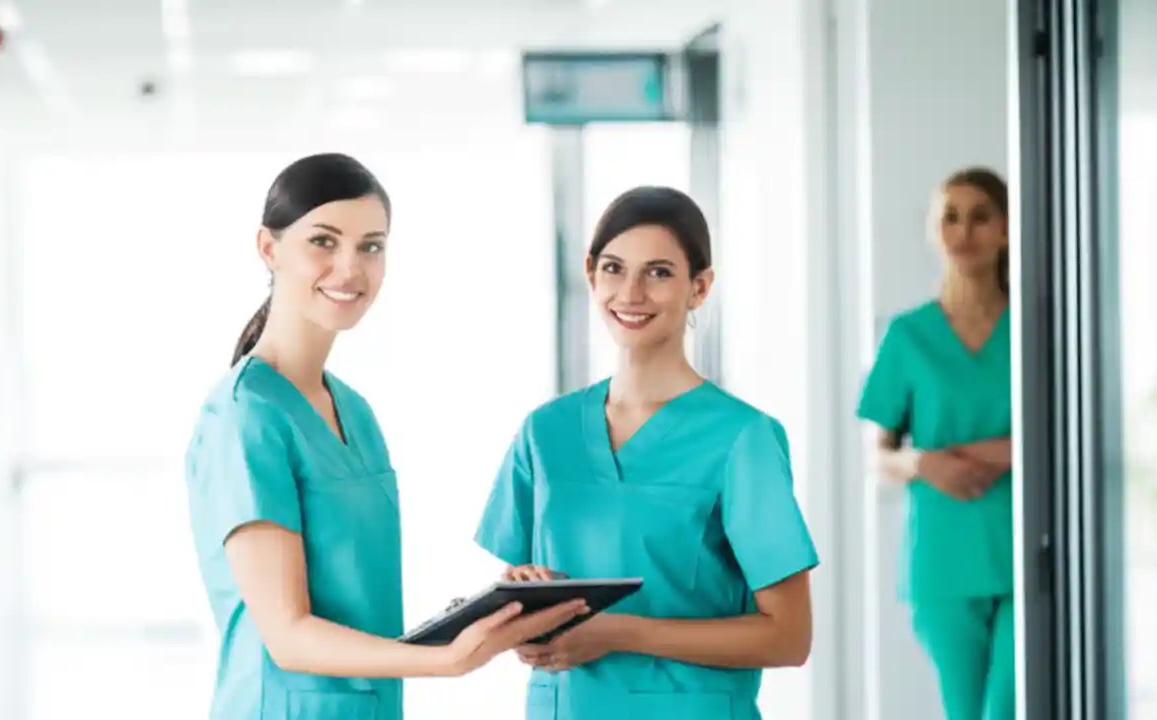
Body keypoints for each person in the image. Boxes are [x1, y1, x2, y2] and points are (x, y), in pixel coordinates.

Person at [184, 153, 587, 720]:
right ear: (269, 249)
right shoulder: (243, 416)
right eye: (324, 242)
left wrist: (489, 614)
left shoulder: (354, 412)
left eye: (371, 246)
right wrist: (448, 659)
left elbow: (355, 600)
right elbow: (288, 637)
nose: (351, 268)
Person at [473, 186, 819, 720]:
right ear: (591, 274)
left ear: (699, 288)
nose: (630, 292)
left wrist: (617, 633)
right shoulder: (546, 432)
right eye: (614, 268)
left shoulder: (742, 438)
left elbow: (789, 637)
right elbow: (520, 583)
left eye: (658, 273)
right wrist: (524, 601)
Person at [856, 167, 1014, 720]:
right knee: (966, 713)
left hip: (1024, 551)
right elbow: (878, 456)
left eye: (980, 216)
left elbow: (1060, 436)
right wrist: (923, 462)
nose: (964, 231)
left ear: (1006, 229)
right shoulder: (909, 335)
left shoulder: (1036, 326)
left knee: (1009, 704)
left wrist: (997, 452)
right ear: (933, 230)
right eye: (950, 216)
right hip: (943, 562)